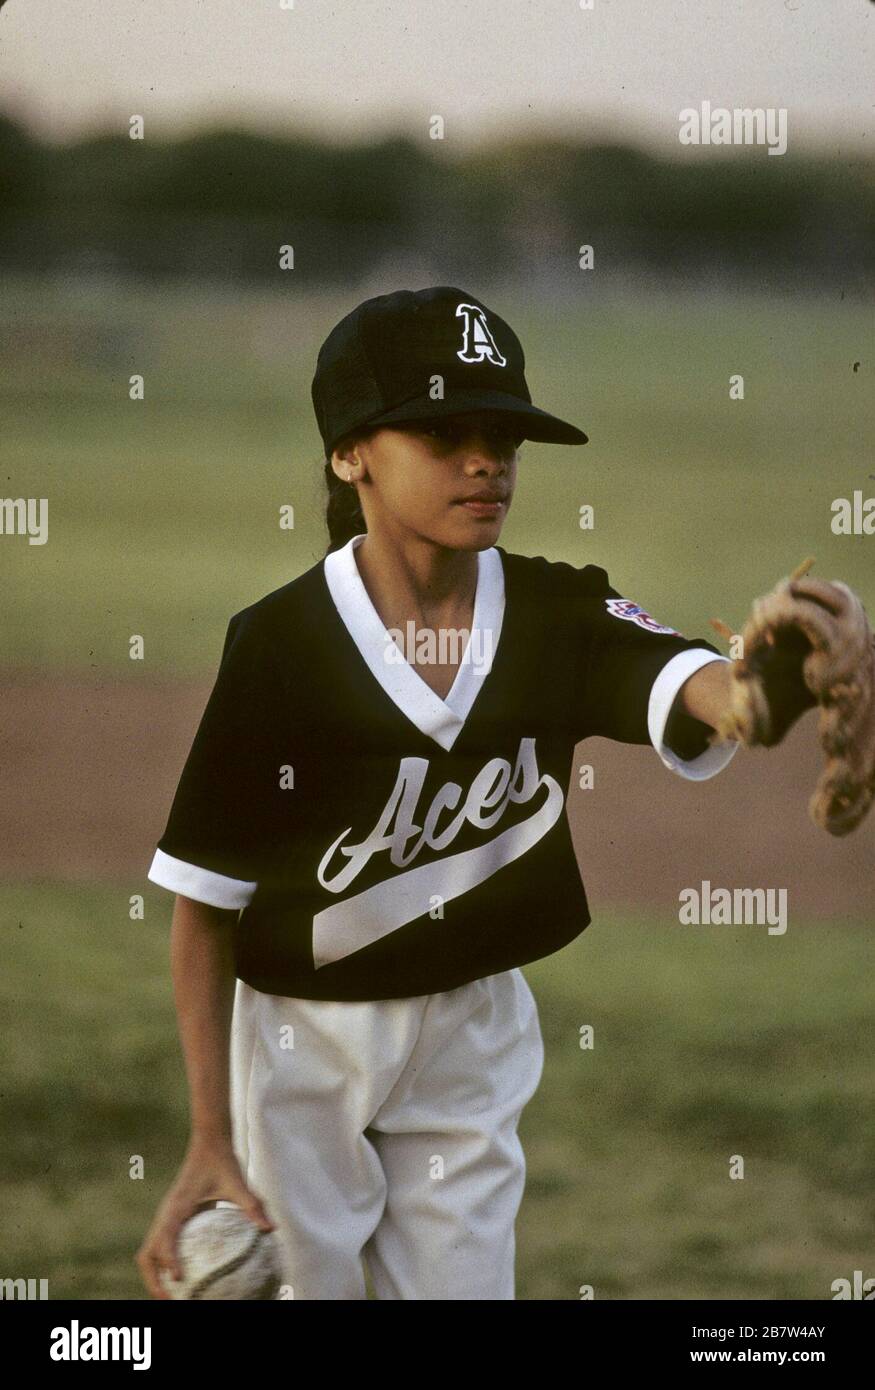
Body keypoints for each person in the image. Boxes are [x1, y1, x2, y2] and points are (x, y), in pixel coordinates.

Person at [137, 285, 785, 1301]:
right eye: (444, 432)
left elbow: (706, 691)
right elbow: (203, 907)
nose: (485, 460)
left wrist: (773, 673)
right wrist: (209, 1137)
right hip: (301, 1042)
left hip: (472, 1031)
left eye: (504, 435)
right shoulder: (281, 644)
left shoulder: (553, 610)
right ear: (350, 452)